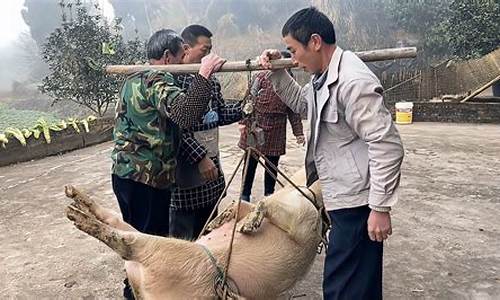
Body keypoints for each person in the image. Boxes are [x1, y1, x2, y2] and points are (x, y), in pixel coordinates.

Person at [258, 7, 404, 300]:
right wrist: (279, 72)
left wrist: (379, 207)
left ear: (314, 41)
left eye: (293, 50)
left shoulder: (352, 81)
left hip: (357, 203)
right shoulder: (323, 77)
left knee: (343, 288)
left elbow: (386, 144)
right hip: (341, 195)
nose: (293, 58)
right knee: (356, 284)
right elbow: (303, 105)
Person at [111, 28, 225, 299]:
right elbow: (185, 115)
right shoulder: (158, 78)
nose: (187, 57)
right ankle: (140, 293)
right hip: (146, 179)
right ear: (166, 56)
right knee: (151, 248)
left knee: (136, 240)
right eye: (182, 53)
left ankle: (134, 289)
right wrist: (205, 73)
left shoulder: (133, 76)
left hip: (125, 175)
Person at [169, 25, 243, 240]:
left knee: (209, 238)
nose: (209, 55)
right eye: (204, 50)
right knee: (183, 245)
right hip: (186, 179)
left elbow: (219, 114)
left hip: (211, 176)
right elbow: (174, 127)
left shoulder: (210, 79)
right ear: (186, 48)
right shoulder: (171, 82)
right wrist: (199, 156)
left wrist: (245, 108)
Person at [238, 51, 305, 201]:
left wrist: (298, 133)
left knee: (272, 165)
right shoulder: (261, 77)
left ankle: (269, 195)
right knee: (250, 163)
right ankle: (244, 195)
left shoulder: (290, 83)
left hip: (277, 127)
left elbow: (294, 111)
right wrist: (243, 123)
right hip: (256, 124)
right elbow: (248, 100)